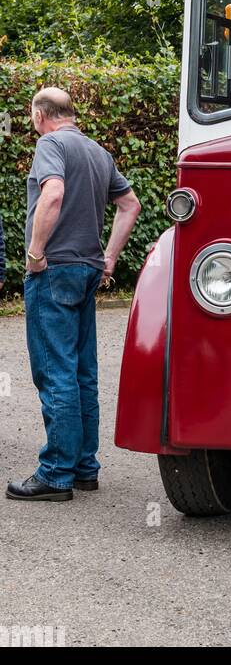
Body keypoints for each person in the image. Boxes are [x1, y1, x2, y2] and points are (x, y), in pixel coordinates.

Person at [6, 87, 141, 501]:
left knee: (55, 370)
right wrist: (110, 259)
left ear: (39, 114)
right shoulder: (98, 152)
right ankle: (85, 467)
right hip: (86, 268)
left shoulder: (50, 143)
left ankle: (56, 474)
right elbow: (130, 204)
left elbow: (53, 193)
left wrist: (35, 254)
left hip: (55, 270)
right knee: (83, 371)